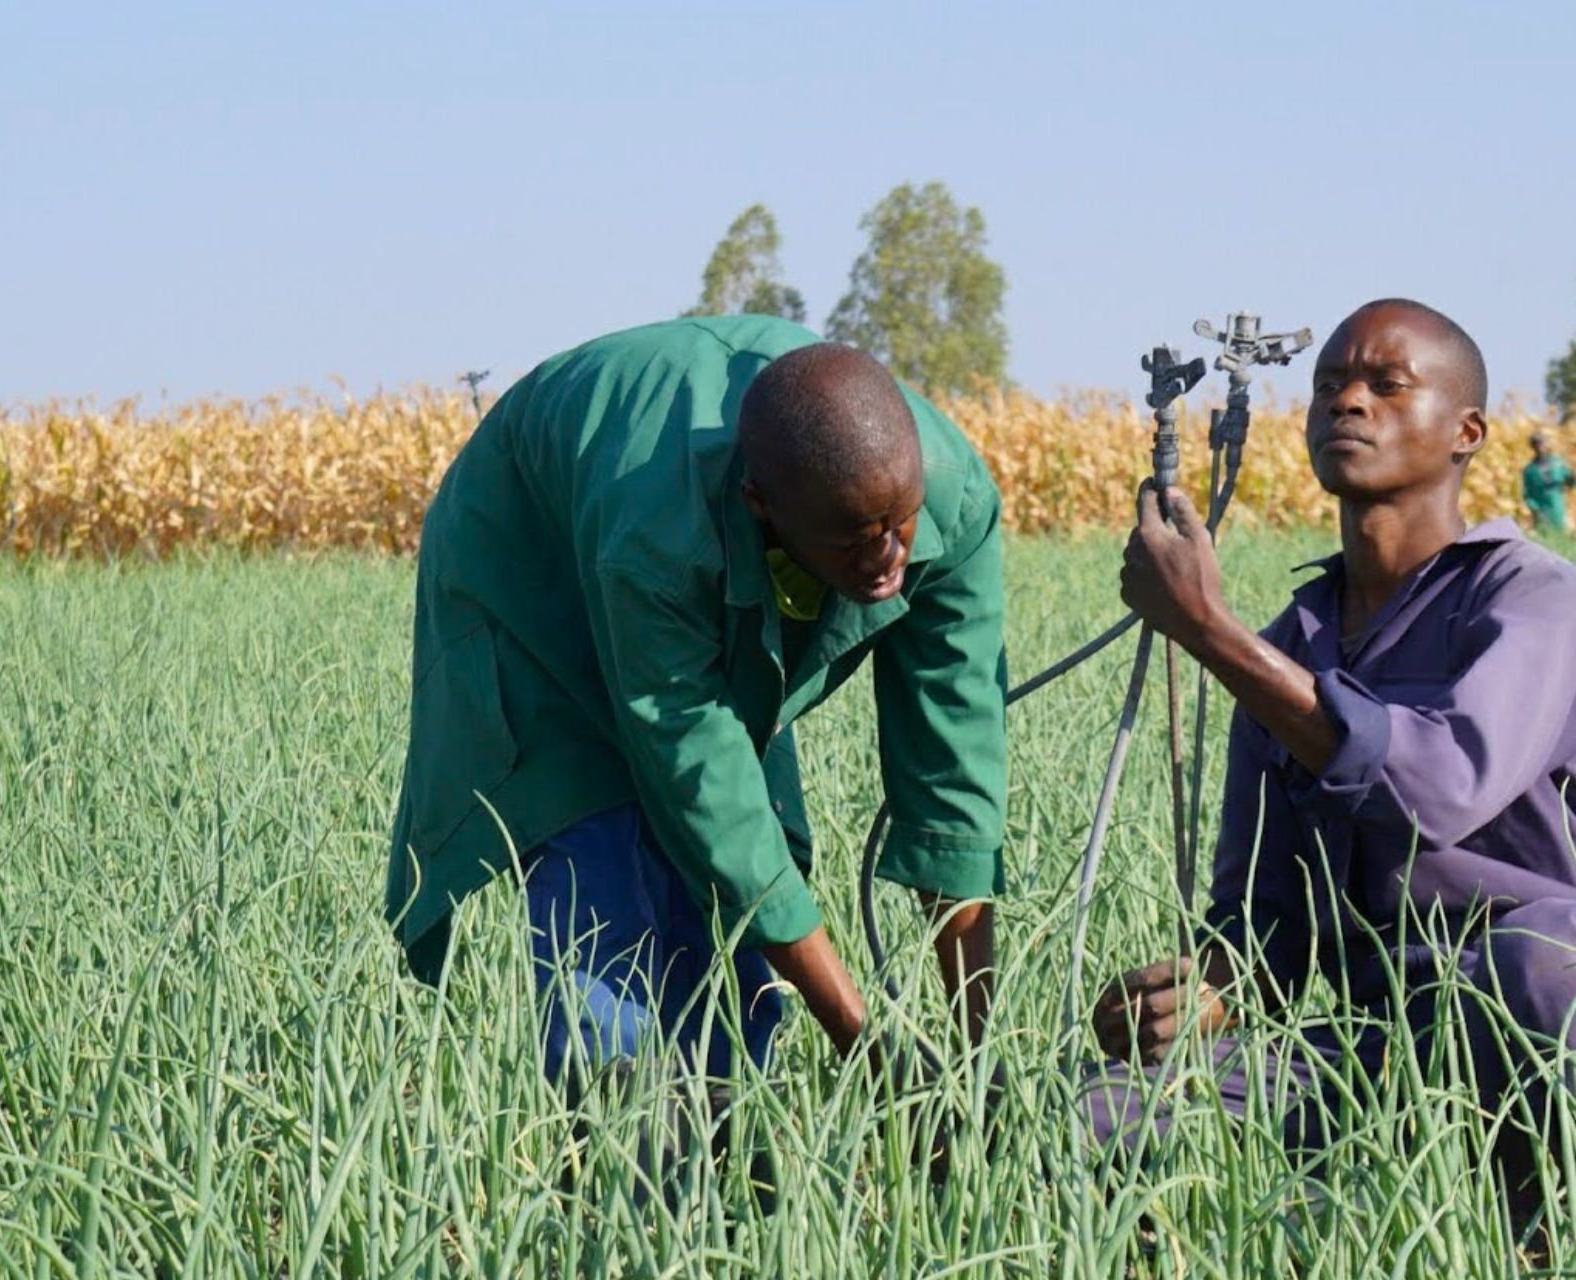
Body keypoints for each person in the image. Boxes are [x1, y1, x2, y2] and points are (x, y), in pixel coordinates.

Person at [385, 315, 1007, 1105]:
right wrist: (864, 1041)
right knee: (603, 867)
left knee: (736, 922)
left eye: (897, 525)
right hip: (533, 574)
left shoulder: (950, 498)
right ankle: (624, 1150)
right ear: (762, 506)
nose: (886, 560)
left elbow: (953, 769)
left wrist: (976, 1063)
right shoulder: (659, 538)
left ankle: (735, 1136)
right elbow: (703, 783)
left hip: (696, 540)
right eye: (852, 540)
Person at [1094, 298, 1576, 1214]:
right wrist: (1199, 994)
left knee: (1536, 957)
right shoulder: (1293, 644)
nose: (1348, 402)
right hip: (1374, 1048)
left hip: (1526, 1018)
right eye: (1329, 386)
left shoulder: (1533, 600)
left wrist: (1211, 633)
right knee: (1098, 1112)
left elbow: (1438, 785)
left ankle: (1539, 1227)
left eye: (1387, 386)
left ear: (1466, 432)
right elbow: (1262, 926)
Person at [1521, 430, 1574, 538]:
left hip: (1557, 504)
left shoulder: (1558, 462)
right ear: (1533, 447)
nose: (1540, 446)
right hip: (1541, 508)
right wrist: (1536, 511)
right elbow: (1527, 494)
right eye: (1536, 444)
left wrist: (1572, 476)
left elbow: (1570, 482)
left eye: (1541, 443)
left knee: (1560, 534)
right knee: (1544, 536)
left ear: (1546, 445)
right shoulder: (1529, 470)